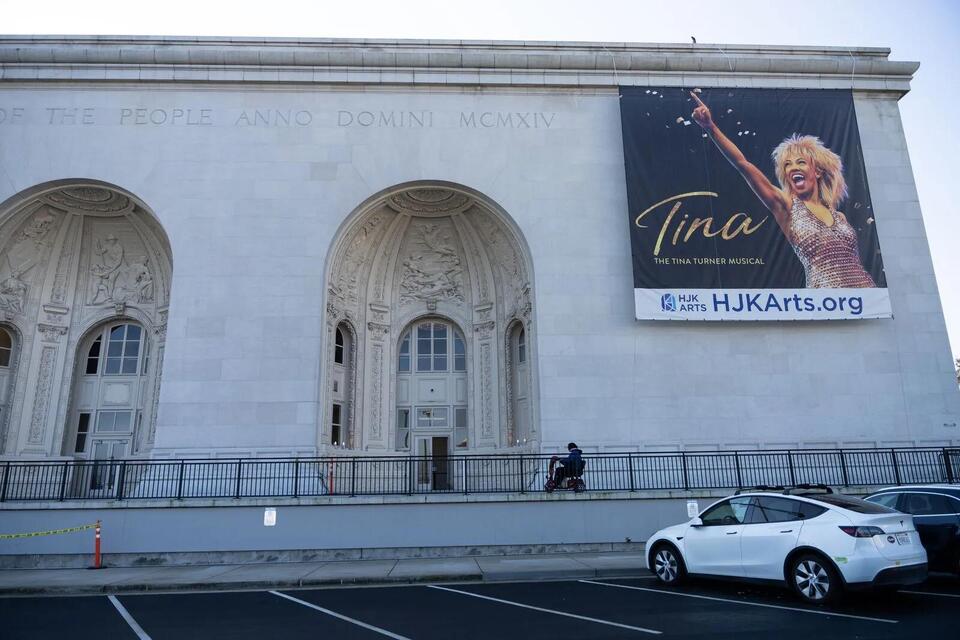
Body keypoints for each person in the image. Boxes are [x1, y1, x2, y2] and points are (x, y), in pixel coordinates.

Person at [689, 91, 875, 289]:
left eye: (801, 162)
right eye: (787, 165)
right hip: (825, 301)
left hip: (865, 294)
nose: (793, 167)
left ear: (818, 171)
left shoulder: (839, 217)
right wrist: (711, 128)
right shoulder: (786, 205)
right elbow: (743, 164)